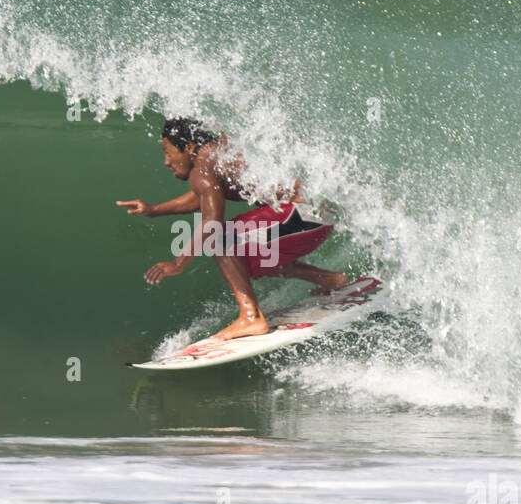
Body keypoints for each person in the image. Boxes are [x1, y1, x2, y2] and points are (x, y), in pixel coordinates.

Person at [117, 117, 349, 341]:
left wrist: (178, 263)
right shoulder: (219, 153)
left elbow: (212, 223)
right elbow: (205, 195)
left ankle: (251, 316)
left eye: (168, 153)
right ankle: (330, 280)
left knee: (221, 240)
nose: (166, 162)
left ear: (188, 147)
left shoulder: (202, 170)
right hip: (318, 216)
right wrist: (154, 210)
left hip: (300, 216)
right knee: (245, 260)